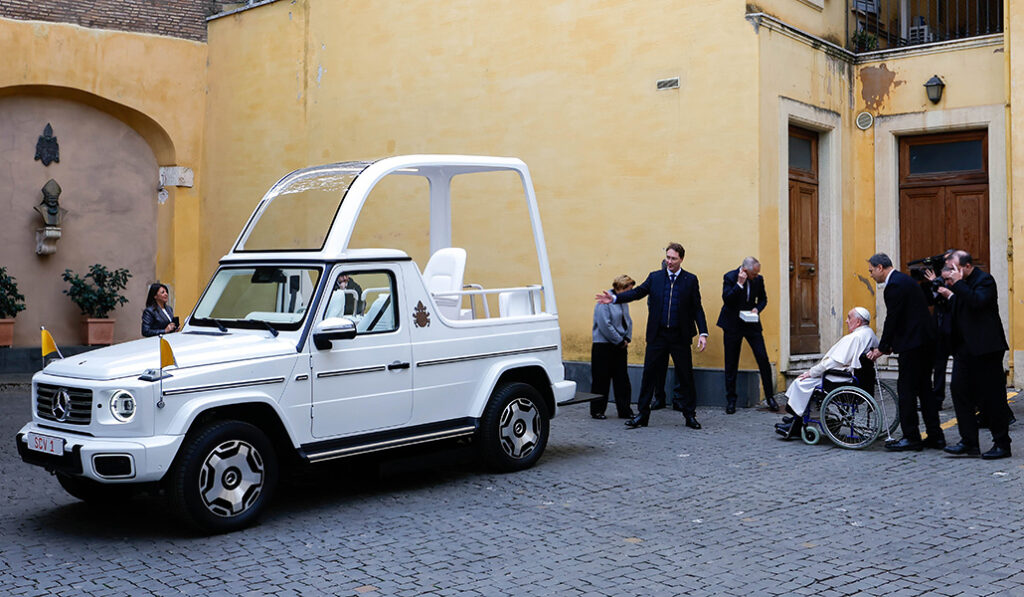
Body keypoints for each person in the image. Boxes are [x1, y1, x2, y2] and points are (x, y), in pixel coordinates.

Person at [596, 242, 709, 430]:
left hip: (679, 336)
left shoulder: (690, 280)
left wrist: (703, 333)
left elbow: (697, 307)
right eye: (668, 257)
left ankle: (690, 415)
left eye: (673, 258)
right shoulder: (655, 277)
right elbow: (637, 292)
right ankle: (642, 414)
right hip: (658, 335)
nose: (669, 261)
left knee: (686, 376)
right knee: (649, 375)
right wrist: (615, 298)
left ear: (681, 259)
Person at [866, 253, 945, 452]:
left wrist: (882, 348)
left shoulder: (894, 285)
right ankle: (935, 436)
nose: (871, 275)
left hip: (914, 345)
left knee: (906, 392)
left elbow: (893, 318)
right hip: (924, 342)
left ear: (880, 267)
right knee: (925, 391)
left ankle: (911, 437)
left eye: (871, 271)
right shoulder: (904, 280)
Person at [938, 250, 1012, 459]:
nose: (950, 273)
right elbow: (960, 310)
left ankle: (1002, 444)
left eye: (953, 268)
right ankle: (969, 441)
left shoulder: (984, 281)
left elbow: (977, 302)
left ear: (967, 266)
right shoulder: (959, 285)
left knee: (992, 397)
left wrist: (958, 285)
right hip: (964, 349)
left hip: (986, 349)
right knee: (959, 391)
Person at [775, 307, 878, 439]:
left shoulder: (855, 337)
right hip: (857, 379)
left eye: (849, 318)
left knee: (801, 382)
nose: (846, 321)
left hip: (841, 379)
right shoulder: (869, 333)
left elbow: (832, 362)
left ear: (858, 322)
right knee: (808, 383)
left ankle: (797, 423)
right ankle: (796, 419)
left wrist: (811, 372)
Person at [717, 257, 778, 414]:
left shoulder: (758, 279)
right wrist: (739, 284)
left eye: (757, 273)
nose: (756, 276)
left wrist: (757, 309)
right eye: (754, 274)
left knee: (762, 358)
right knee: (731, 362)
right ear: (744, 270)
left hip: (751, 324)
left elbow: (763, 299)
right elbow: (727, 300)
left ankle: (770, 397)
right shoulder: (729, 277)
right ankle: (731, 400)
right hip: (732, 324)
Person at [590, 275, 636, 420]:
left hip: (620, 345)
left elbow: (628, 321)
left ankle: (624, 410)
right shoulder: (605, 301)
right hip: (603, 345)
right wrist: (619, 340)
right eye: (629, 289)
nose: (630, 293)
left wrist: (627, 338)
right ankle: (597, 410)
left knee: (622, 380)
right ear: (621, 287)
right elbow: (605, 324)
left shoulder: (622, 300)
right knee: (601, 379)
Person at [922, 250, 954, 409]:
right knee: (939, 365)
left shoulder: (959, 280)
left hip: (956, 329)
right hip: (940, 329)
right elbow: (930, 301)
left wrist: (940, 284)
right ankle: (937, 399)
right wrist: (931, 284)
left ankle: (973, 401)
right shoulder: (938, 281)